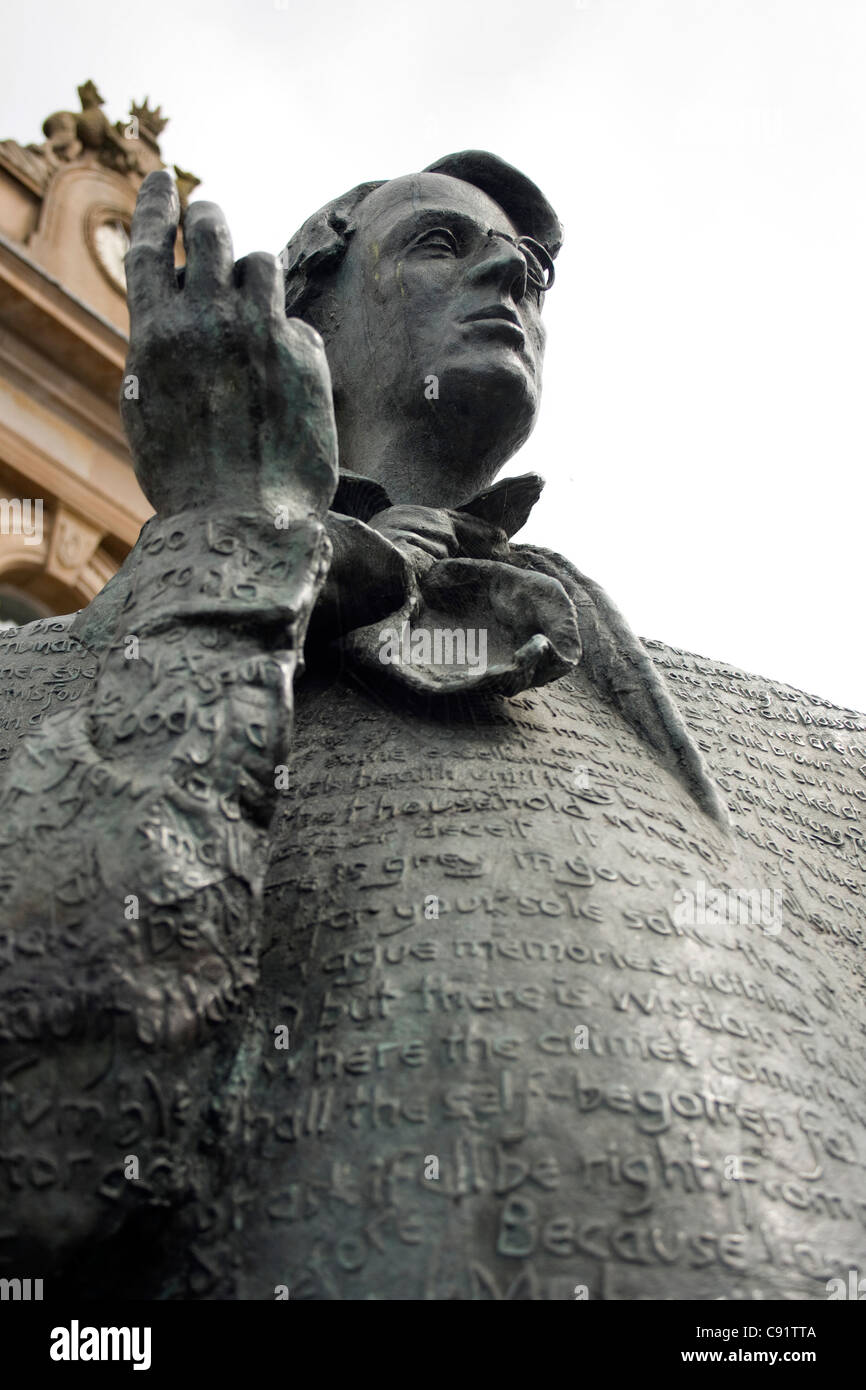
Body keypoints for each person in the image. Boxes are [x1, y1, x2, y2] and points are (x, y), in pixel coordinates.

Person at [0, 159, 863, 1300]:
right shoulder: (44, 682)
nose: (512, 268)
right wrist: (229, 555)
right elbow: (44, 1158)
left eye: (531, 266)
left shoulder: (805, 754)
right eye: (439, 244)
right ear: (295, 328)